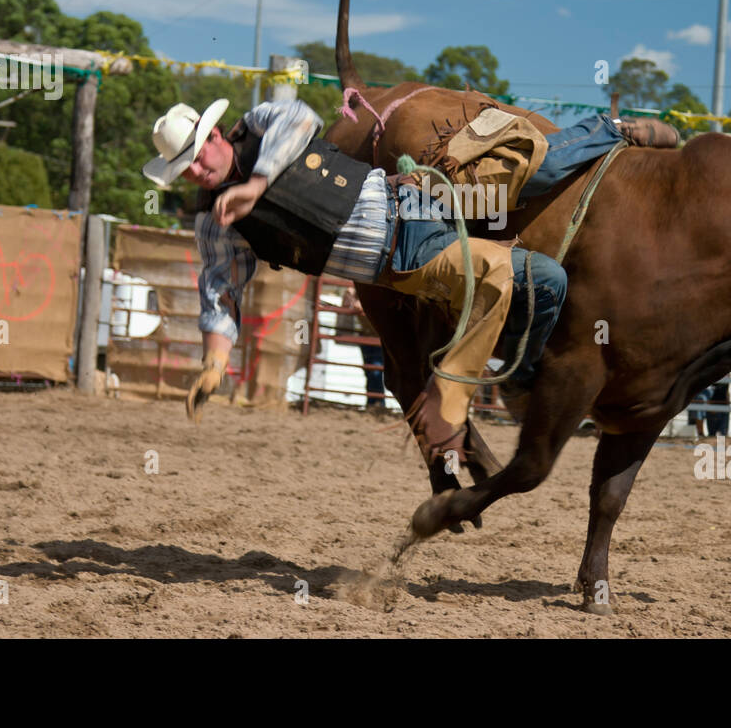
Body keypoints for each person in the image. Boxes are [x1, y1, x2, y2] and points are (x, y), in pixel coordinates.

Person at [144, 98, 665, 466]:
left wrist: (257, 185)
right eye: (183, 170)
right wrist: (214, 363)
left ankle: (612, 131)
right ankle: (519, 374)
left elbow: (300, 118)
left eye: (194, 159)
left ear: (214, 136)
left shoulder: (263, 127)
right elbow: (220, 291)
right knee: (547, 279)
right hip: (413, 256)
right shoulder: (218, 224)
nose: (194, 173)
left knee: (522, 169)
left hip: (421, 196)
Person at [340, 284, 387, 413]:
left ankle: (378, 403)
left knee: (375, 369)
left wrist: (361, 305)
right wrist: (349, 295)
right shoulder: (356, 290)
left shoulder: (376, 290)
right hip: (367, 335)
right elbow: (345, 304)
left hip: (377, 336)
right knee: (369, 370)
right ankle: (373, 402)